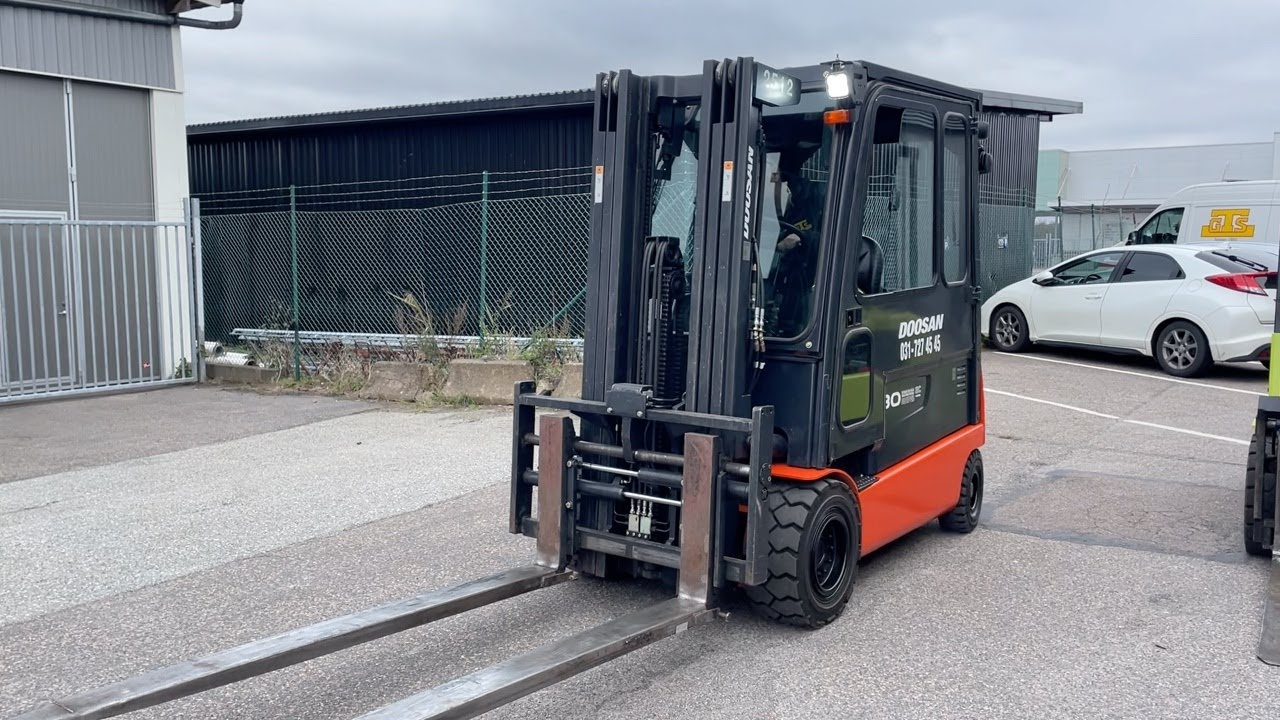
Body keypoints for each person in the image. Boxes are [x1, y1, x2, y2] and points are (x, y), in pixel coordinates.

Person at [770, 149, 824, 337]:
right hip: (767, 286)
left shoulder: (812, 203)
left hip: (807, 286)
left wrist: (803, 238)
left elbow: (831, 242)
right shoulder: (754, 209)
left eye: (773, 177)